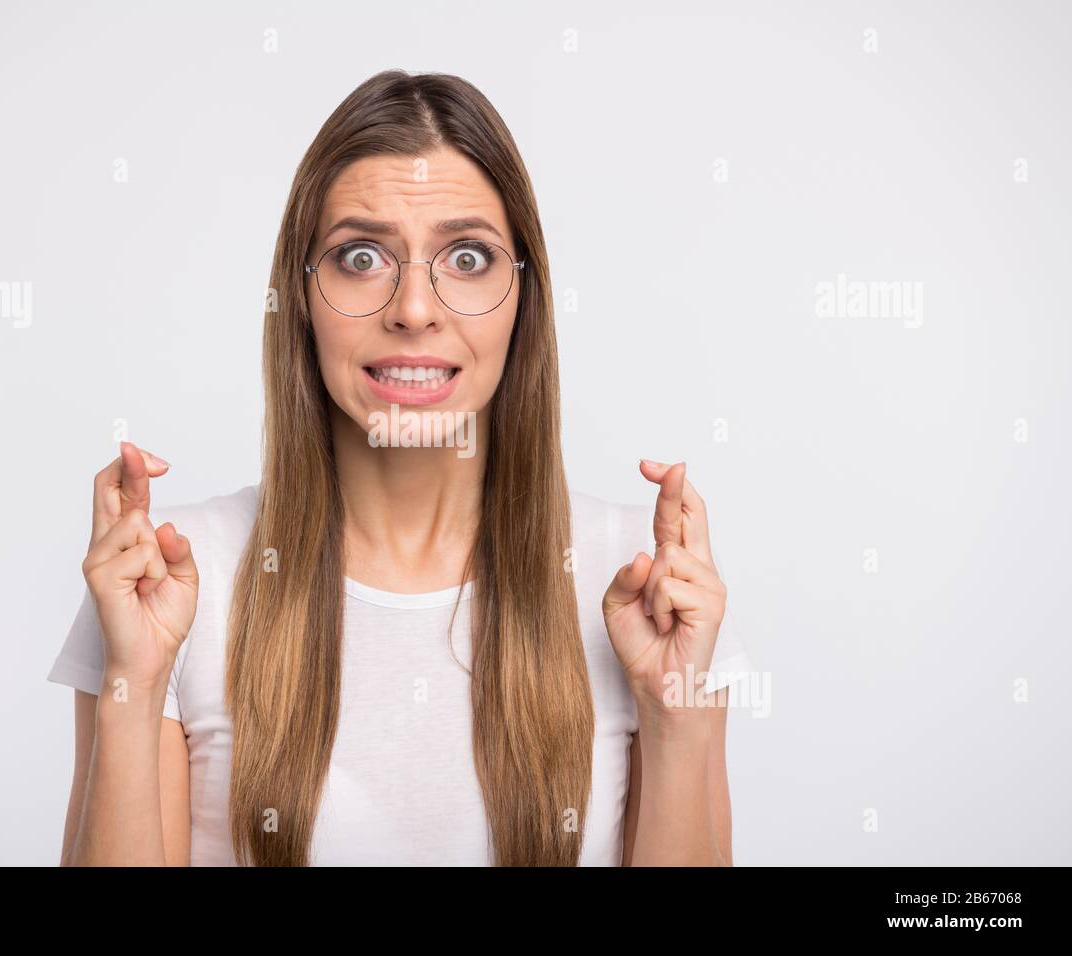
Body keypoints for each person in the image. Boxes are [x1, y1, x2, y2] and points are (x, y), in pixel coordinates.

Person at [47, 69, 754, 867]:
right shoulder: (175, 579)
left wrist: (677, 711)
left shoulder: (644, 583)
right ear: (301, 296)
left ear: (525, 296)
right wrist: (133, 688)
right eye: (360, 256)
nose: (414, 308)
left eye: (466, 257)